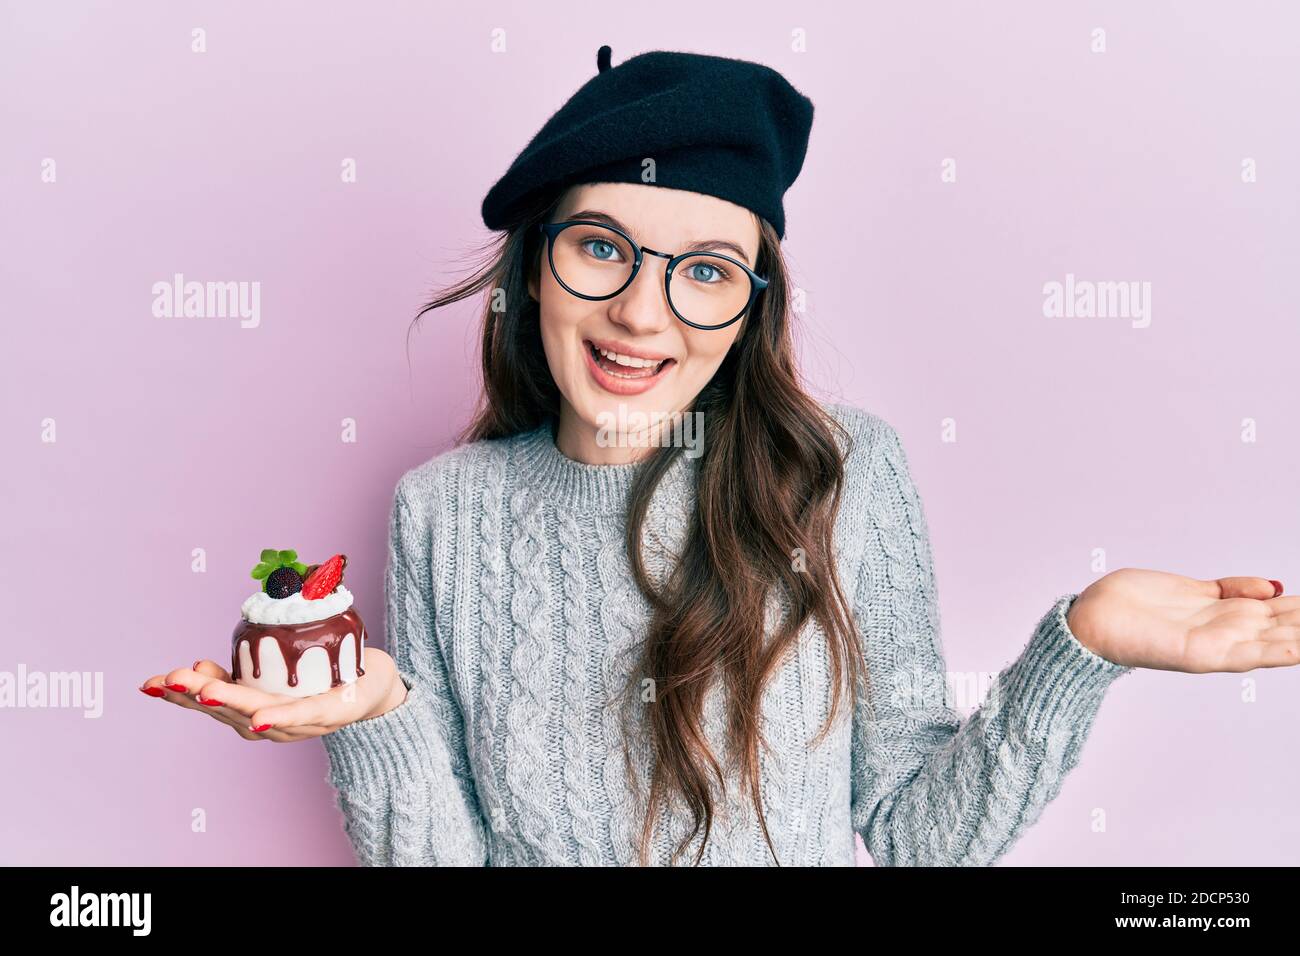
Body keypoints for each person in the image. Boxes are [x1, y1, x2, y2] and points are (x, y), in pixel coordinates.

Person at [140, 45, 1298, 866]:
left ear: (749, 305)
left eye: (702, 270)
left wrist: (1080, 646)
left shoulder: (843, 475)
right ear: (536, 266)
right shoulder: (442, 509)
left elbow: (912, 838)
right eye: (601, 248)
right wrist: (375, 714)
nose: (643, 315)